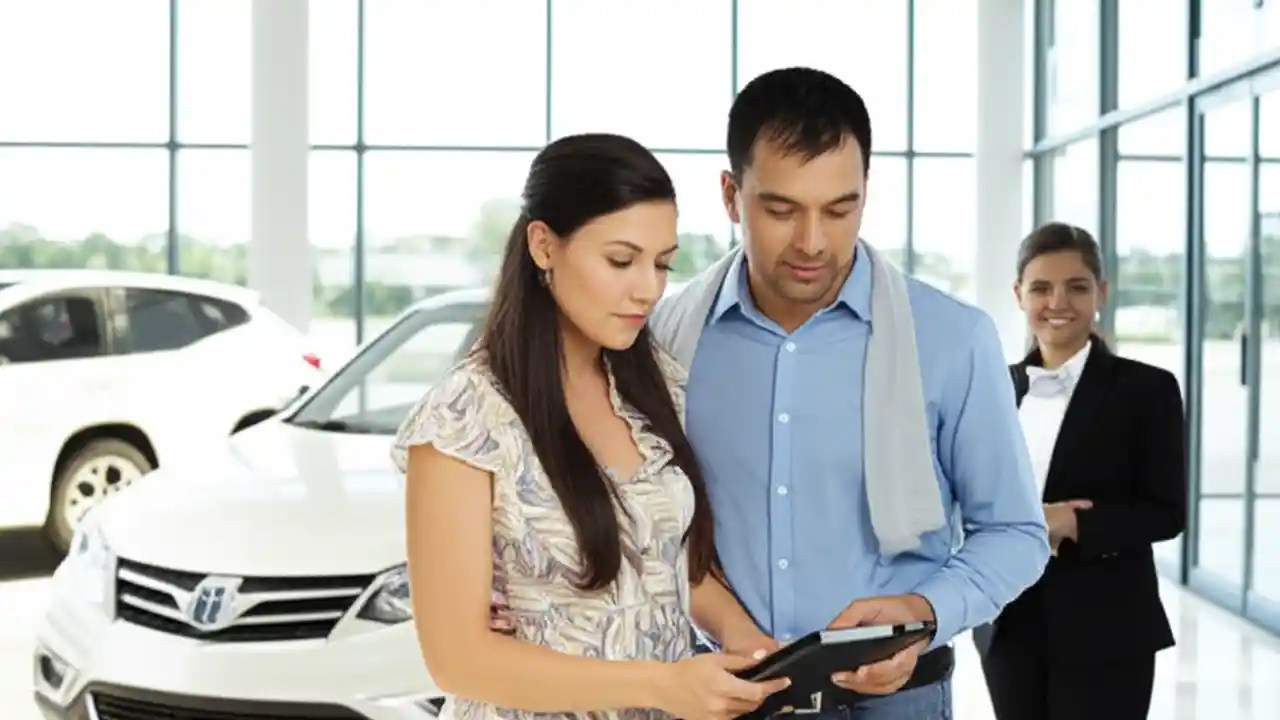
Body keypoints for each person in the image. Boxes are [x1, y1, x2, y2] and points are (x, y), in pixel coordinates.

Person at [649, 66, 1051, 718]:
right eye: (780, 209)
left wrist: (921, 612)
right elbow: (646, 527)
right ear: (730, 195)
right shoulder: (667, 340)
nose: (813, 242)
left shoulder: (952, 340)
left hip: (900, 700)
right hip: (719, 696)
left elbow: (1014, 533)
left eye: (840, 209)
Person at [394, 132, 790, 720]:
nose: (649, 289)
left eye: (662, 264)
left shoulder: (656, 383)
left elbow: (672, 558)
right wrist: (661, 685)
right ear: (543, 246)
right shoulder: (465, 417)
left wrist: (754, 651)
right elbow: (457, 659)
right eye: (621, 260)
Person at [973, 222, 1187, 719]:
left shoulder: (1147, 390)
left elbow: (1166, 512)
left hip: (1107, 628)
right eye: (1041, 288)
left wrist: (1075, 523)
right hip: (1009, 623)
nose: (1058, 302)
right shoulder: (995, 388)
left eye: (1077, 286)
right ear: (1018, 294)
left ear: (1101, 293)